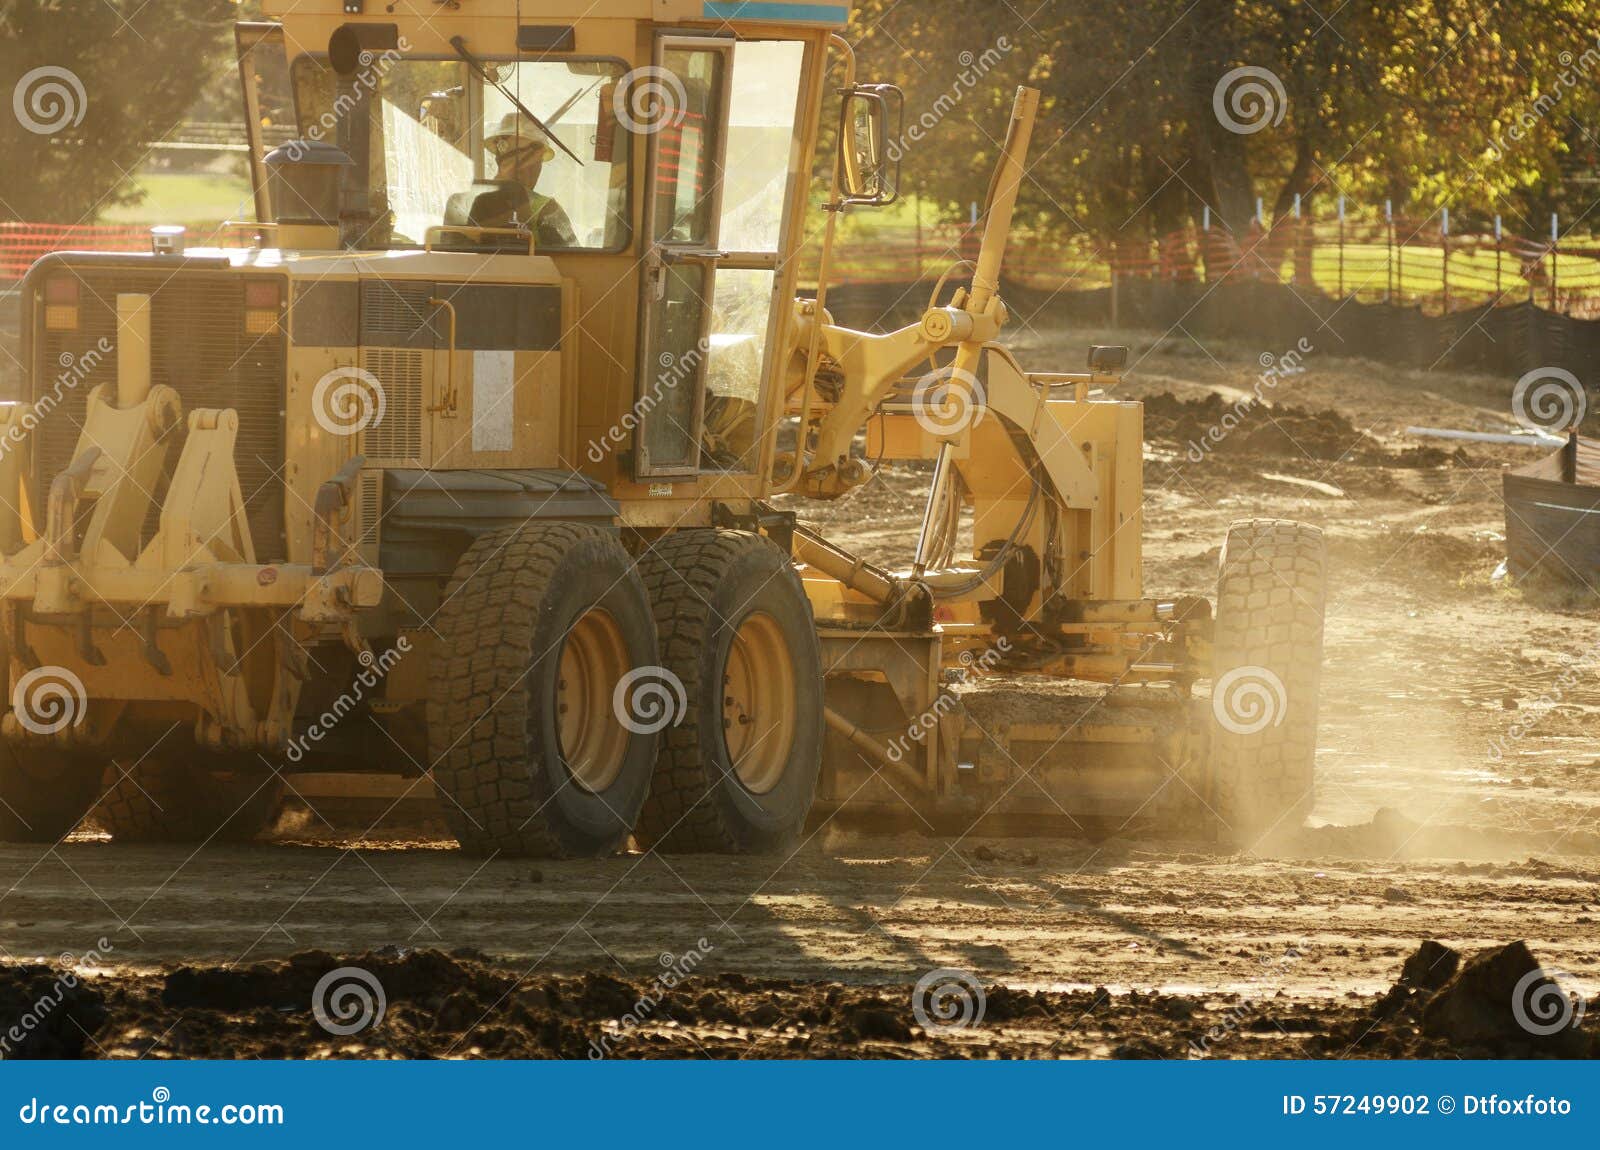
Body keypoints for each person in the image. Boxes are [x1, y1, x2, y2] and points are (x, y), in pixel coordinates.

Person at [477, 111, 578, 248]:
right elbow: (573, 256)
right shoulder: (546, 209)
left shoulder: (467, 202)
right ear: (528, 163)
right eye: (538, 162)